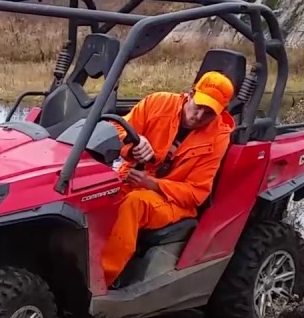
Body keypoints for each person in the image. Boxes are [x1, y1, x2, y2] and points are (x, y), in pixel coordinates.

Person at [101, 70, 237, 287]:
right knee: (98, 193)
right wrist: (133, 144)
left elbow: (196, 193)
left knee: (134, 204)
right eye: (198, 106)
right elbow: (115, 128)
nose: (199, 117)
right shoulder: (157, 103)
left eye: (209, 113)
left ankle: (102, 281)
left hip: (173, 201)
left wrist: (151, 184)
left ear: (221, 112)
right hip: (131, 178)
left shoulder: (218, 138)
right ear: (190, 94)